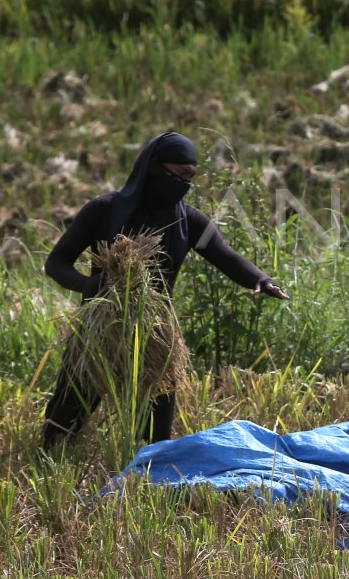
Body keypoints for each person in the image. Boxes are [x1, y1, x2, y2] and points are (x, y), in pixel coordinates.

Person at [42, 131, 289, 449]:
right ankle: (52, 464)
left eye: (191, 177)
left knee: (155, 435)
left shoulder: (188, 221)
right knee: (64, 419)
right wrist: (91, 285)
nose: (185, 183)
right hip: (99, 330)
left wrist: (261, 279)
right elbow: (57, 263)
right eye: (179, 174)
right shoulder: (103, 211)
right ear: (155, 168)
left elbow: (225, 255)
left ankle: (146, 481)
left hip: (155, 334)